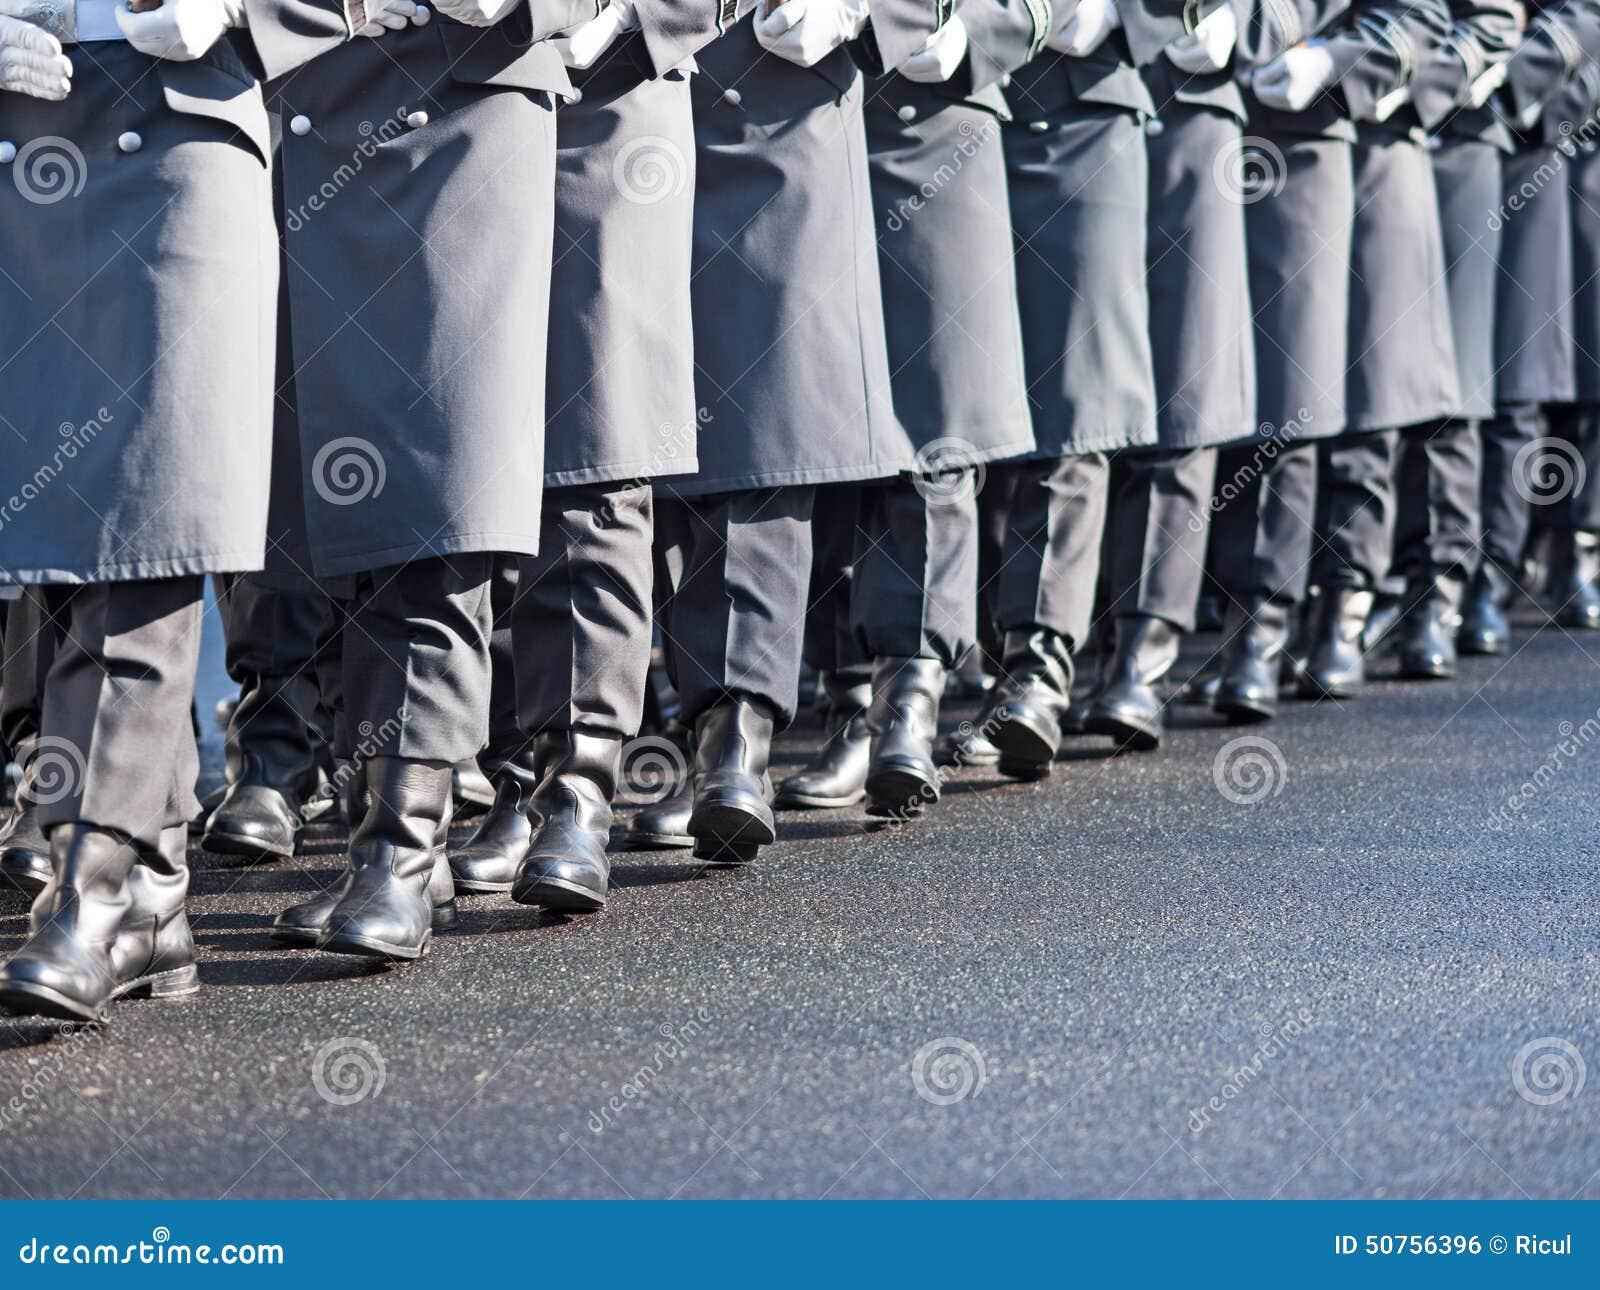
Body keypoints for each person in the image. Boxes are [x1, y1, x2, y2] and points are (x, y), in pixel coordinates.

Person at [264, 0, 585, 960]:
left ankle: (401, 853)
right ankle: (390, 842)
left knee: (442, 484)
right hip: (321, 94)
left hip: (464, 99)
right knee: (346, 507)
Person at [0, 0, 288, 1018]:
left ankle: (92, 894)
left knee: (147, 510)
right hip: (29, 129)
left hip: (183, 125)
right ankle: (155, 894)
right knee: (62, 537)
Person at [449, 0, 757, 911]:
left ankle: (574, 792)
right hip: (464, 87)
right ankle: (505, 777)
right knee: (470, 452)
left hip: (609, 99)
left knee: (595, 453)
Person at [626, 0, 936, 863]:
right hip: (628, 88)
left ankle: (734, 746)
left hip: (777, 103)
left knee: (758, 437)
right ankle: (674, 744)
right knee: (635, 454)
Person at [775, 0, 1036, 817]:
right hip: (803, 112)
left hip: (933, 121)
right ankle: (846, 707)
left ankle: (907, 711)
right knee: (814, 433)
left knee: (935, 425)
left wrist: (979, 31)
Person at [943, 0, 1160, 780]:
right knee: (958, 403)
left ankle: (1035, 671)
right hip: (948, 100)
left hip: (1080, 111)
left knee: (1071, 403)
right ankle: (942, 668)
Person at [1078, 0, 1256, 750]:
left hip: (1188, 106)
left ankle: (1140, 664)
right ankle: (1039, 656)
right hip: (1071, 91)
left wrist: (1253, 21)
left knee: (1184, 386)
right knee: (1074, 385)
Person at [1297, 0, 1456, 700]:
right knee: (1284, 403)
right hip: (1272, 148)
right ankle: (1266, 610)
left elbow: (1454, 24)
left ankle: (1346, 605)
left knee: (1371, 395)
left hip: (1375, 145)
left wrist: (1355, 69)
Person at [1389, 0, 1522, 678]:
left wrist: (1412, 82)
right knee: (1373, 381)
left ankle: (1436, 598)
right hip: (1366, 139)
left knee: (1455, 384)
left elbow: (1498, 18)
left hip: (1458, 143)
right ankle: (1356, 588)